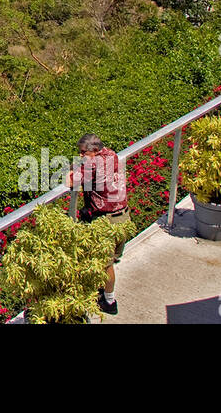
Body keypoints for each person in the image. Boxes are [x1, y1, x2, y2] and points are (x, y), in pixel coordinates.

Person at [68, 133, 129, 316]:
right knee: (110, 260)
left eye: (82, 153)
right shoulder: (111, 154)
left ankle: (109, 301)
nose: (80, 156)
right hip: (123, 218)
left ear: (94, 151)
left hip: (107, 221)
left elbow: (71, 181)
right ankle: (103, 292)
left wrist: (75, 166)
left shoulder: (92, 165)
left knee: (106, 264)